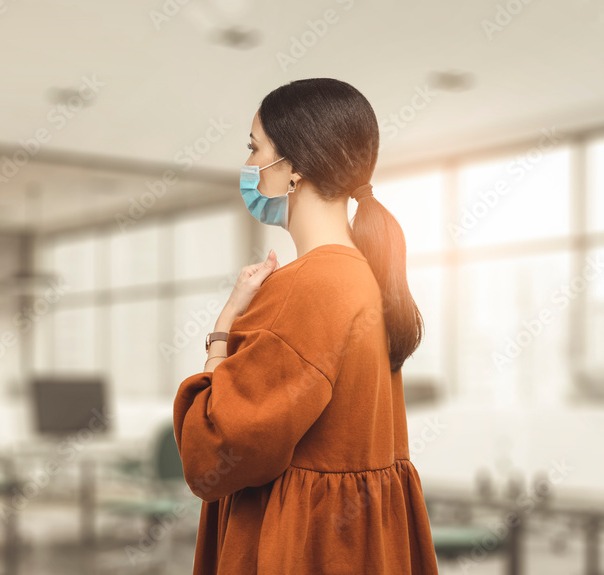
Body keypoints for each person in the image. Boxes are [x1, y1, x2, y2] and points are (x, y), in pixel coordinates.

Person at [173, 78, 440, 574]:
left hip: (298, 549)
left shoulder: (304, 288)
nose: (249, 167)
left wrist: (221, 334)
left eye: (255, 149)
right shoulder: (364, 275)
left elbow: (212, 456)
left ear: (293, 169)